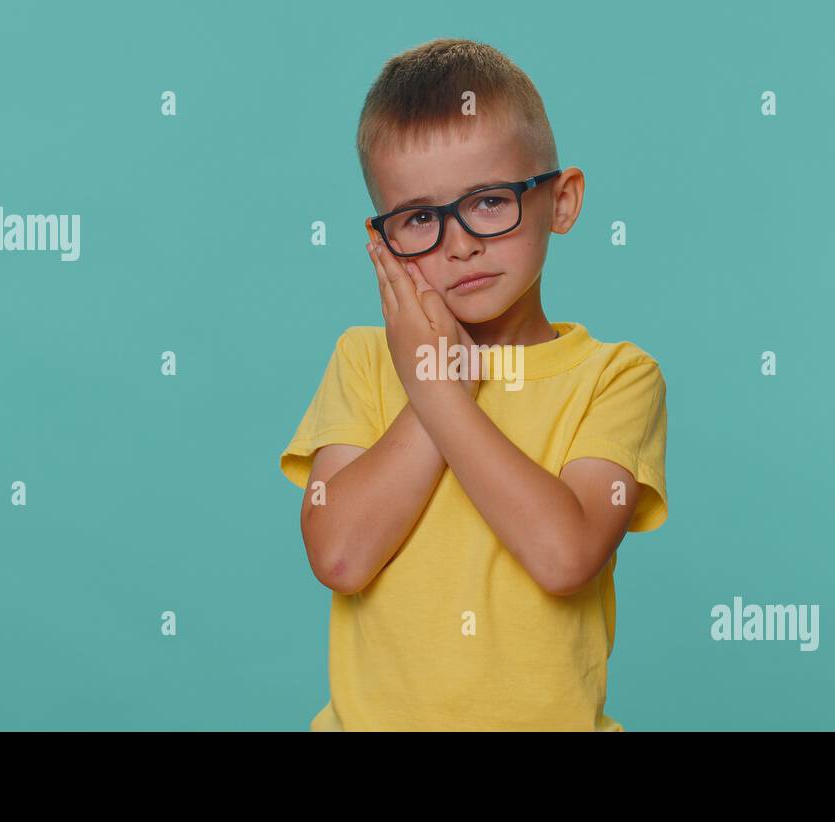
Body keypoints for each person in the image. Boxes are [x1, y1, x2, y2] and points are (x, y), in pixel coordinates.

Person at [280, 37, 668, 731]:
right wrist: (431, 381)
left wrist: (434, 389)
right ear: (382, 242)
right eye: (421, 218)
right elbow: (340, 554)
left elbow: (563, 556)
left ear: (562, 200)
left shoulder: (616, 378)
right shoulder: (363, 362)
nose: (459, 245)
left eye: (489, 201)